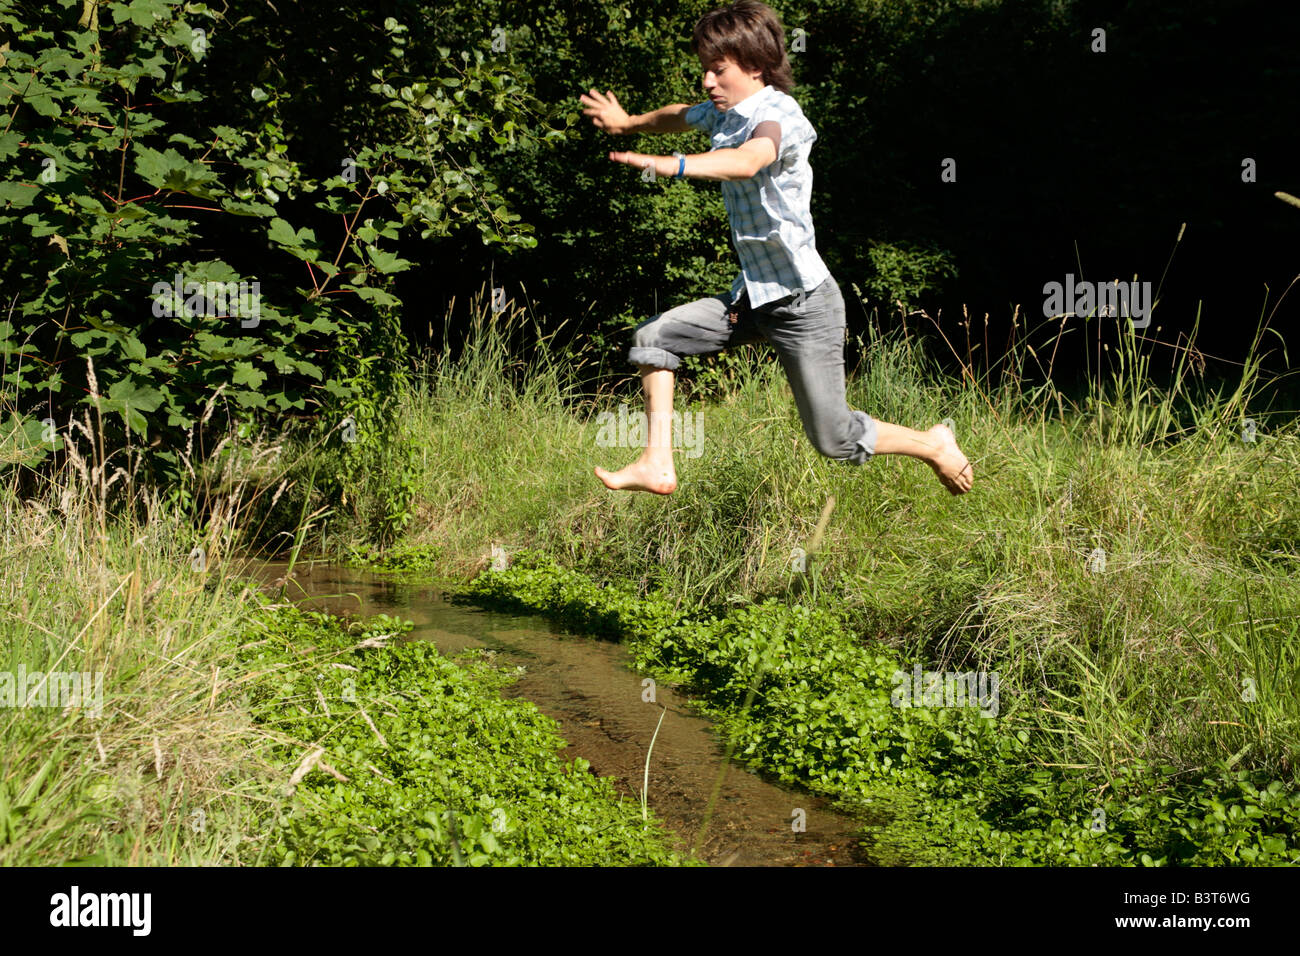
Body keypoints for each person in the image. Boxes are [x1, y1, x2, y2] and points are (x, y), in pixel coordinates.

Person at [580, 0, 973, 496]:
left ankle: (934, 443)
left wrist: (670, 165)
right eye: (704, 69)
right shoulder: (722, 114)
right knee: (652, 338)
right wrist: (628, 121)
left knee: (834, 439)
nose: (707, 81)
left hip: (804, 304)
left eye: (717, 70)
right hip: (750, 299)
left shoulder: (779, 114)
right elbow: (678, 115)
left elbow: (750, 159)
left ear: (755, 65)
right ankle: (657, 462)